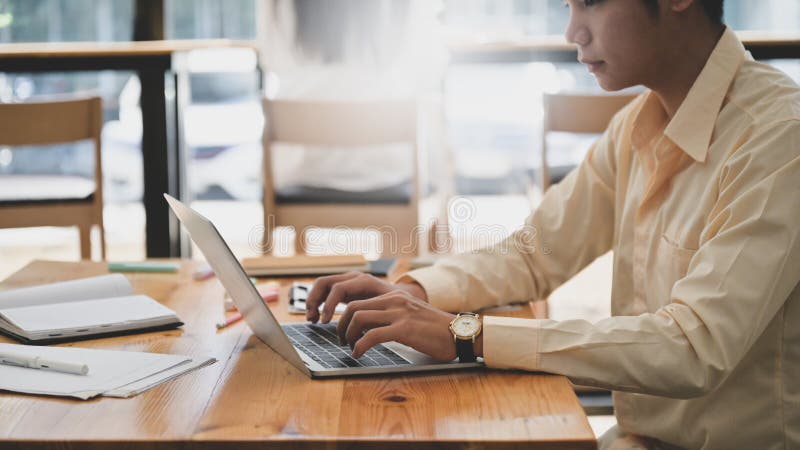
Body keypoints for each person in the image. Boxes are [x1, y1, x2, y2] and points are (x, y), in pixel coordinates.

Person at [302, 0, 800, 448]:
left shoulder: (779, 137)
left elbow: (694, 347)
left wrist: (467, 335)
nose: (572, 32)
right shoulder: (637, 123)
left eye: (591, 3)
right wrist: (412, 291)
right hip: (633, 438)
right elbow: (536, 252)